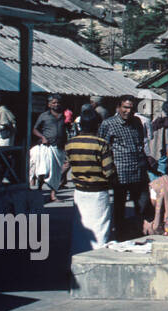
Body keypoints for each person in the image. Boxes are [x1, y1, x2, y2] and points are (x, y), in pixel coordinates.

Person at [98, 96, 151, 239]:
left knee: (142, 205)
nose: (128, 111)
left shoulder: (137, 122)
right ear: (118, 108)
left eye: (131, 108)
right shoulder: (108, 124)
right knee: (119, 206)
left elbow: (141, 144)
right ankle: (120, 234)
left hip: (138, 171)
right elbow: (102, 148)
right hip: (119, 173)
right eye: (125, 108)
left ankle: (138, 231)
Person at [65, 109, 117, 253]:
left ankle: (78, 255)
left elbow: (70, 164)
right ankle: (97, 257)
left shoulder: (70, 144)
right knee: (99, 228)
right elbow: (109, 171)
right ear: (97, 125)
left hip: (80, 192)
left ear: (80, 125)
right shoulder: (101, 144)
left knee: (81, 228)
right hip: (98, 192)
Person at [31, 95, 68, 201]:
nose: (56, 104)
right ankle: (39, 188)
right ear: (49, 104)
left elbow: (65, 130)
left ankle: (53, 195)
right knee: (44, 169)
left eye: (58, 103)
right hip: (47, 147)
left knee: (56, 173)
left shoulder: (63, 116)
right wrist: (42, 137)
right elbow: (35, 129)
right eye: (54, 102)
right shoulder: (44, 116)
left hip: (59, 147)